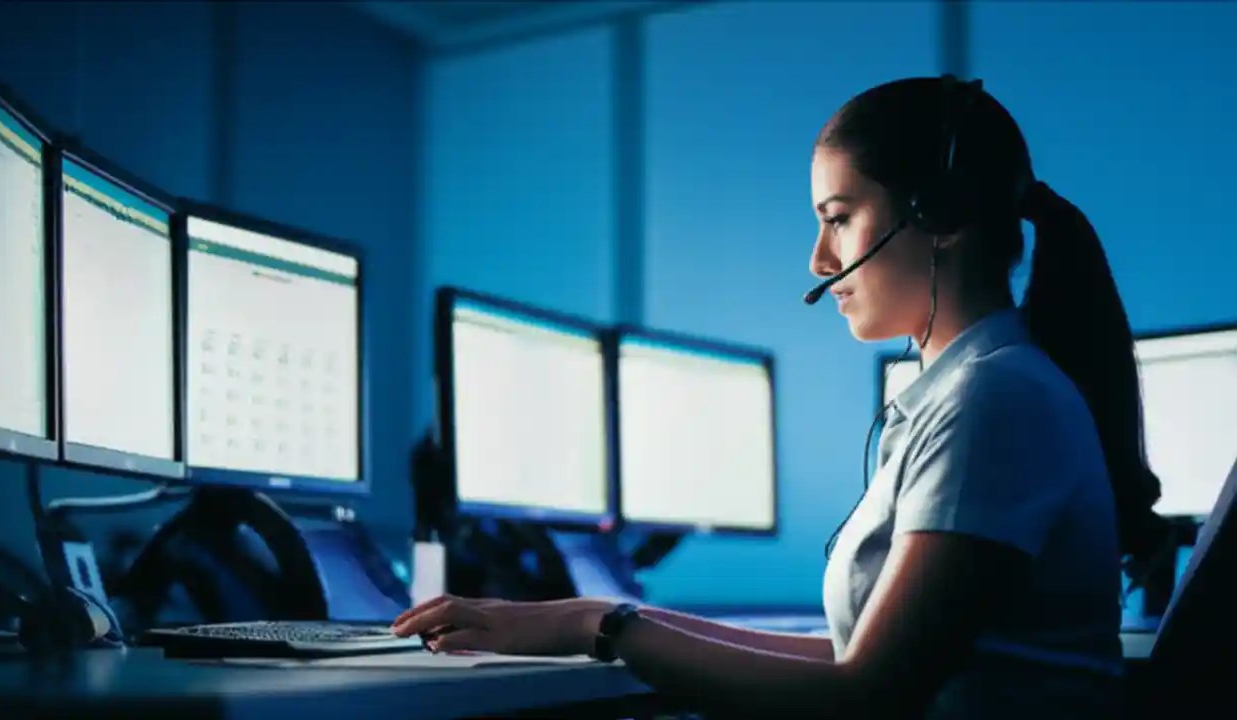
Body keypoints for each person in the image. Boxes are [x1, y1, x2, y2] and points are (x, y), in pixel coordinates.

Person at [393, 76, 1167, 718]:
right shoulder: (980, 388)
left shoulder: (995, 400)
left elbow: (866, 693)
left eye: (839, 219)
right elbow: (858, 653)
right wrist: (595, 620)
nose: (819, 257)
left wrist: (600, 624)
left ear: (939, 217)